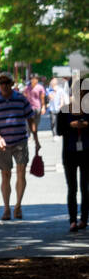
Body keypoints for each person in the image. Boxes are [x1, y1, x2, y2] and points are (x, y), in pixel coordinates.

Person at [0, 72, 39, 220]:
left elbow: (30, 118)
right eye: (1, 82)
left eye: (7, 82)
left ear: (12, 83)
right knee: (5, 175)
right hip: (3, 143)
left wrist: (36, 138)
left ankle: (18, 206)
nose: (4, 85)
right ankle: (6, 208)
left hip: (20, 140)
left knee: (21, 172)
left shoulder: (21, 99)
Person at [56, 86, 89, 231]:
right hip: (70, 153)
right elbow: (59, 130)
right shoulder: (64, 110)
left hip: (87, 153)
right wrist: (71, 125)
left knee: (86, 188)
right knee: (72, 188)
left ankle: (84, 220)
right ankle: (72, 220)